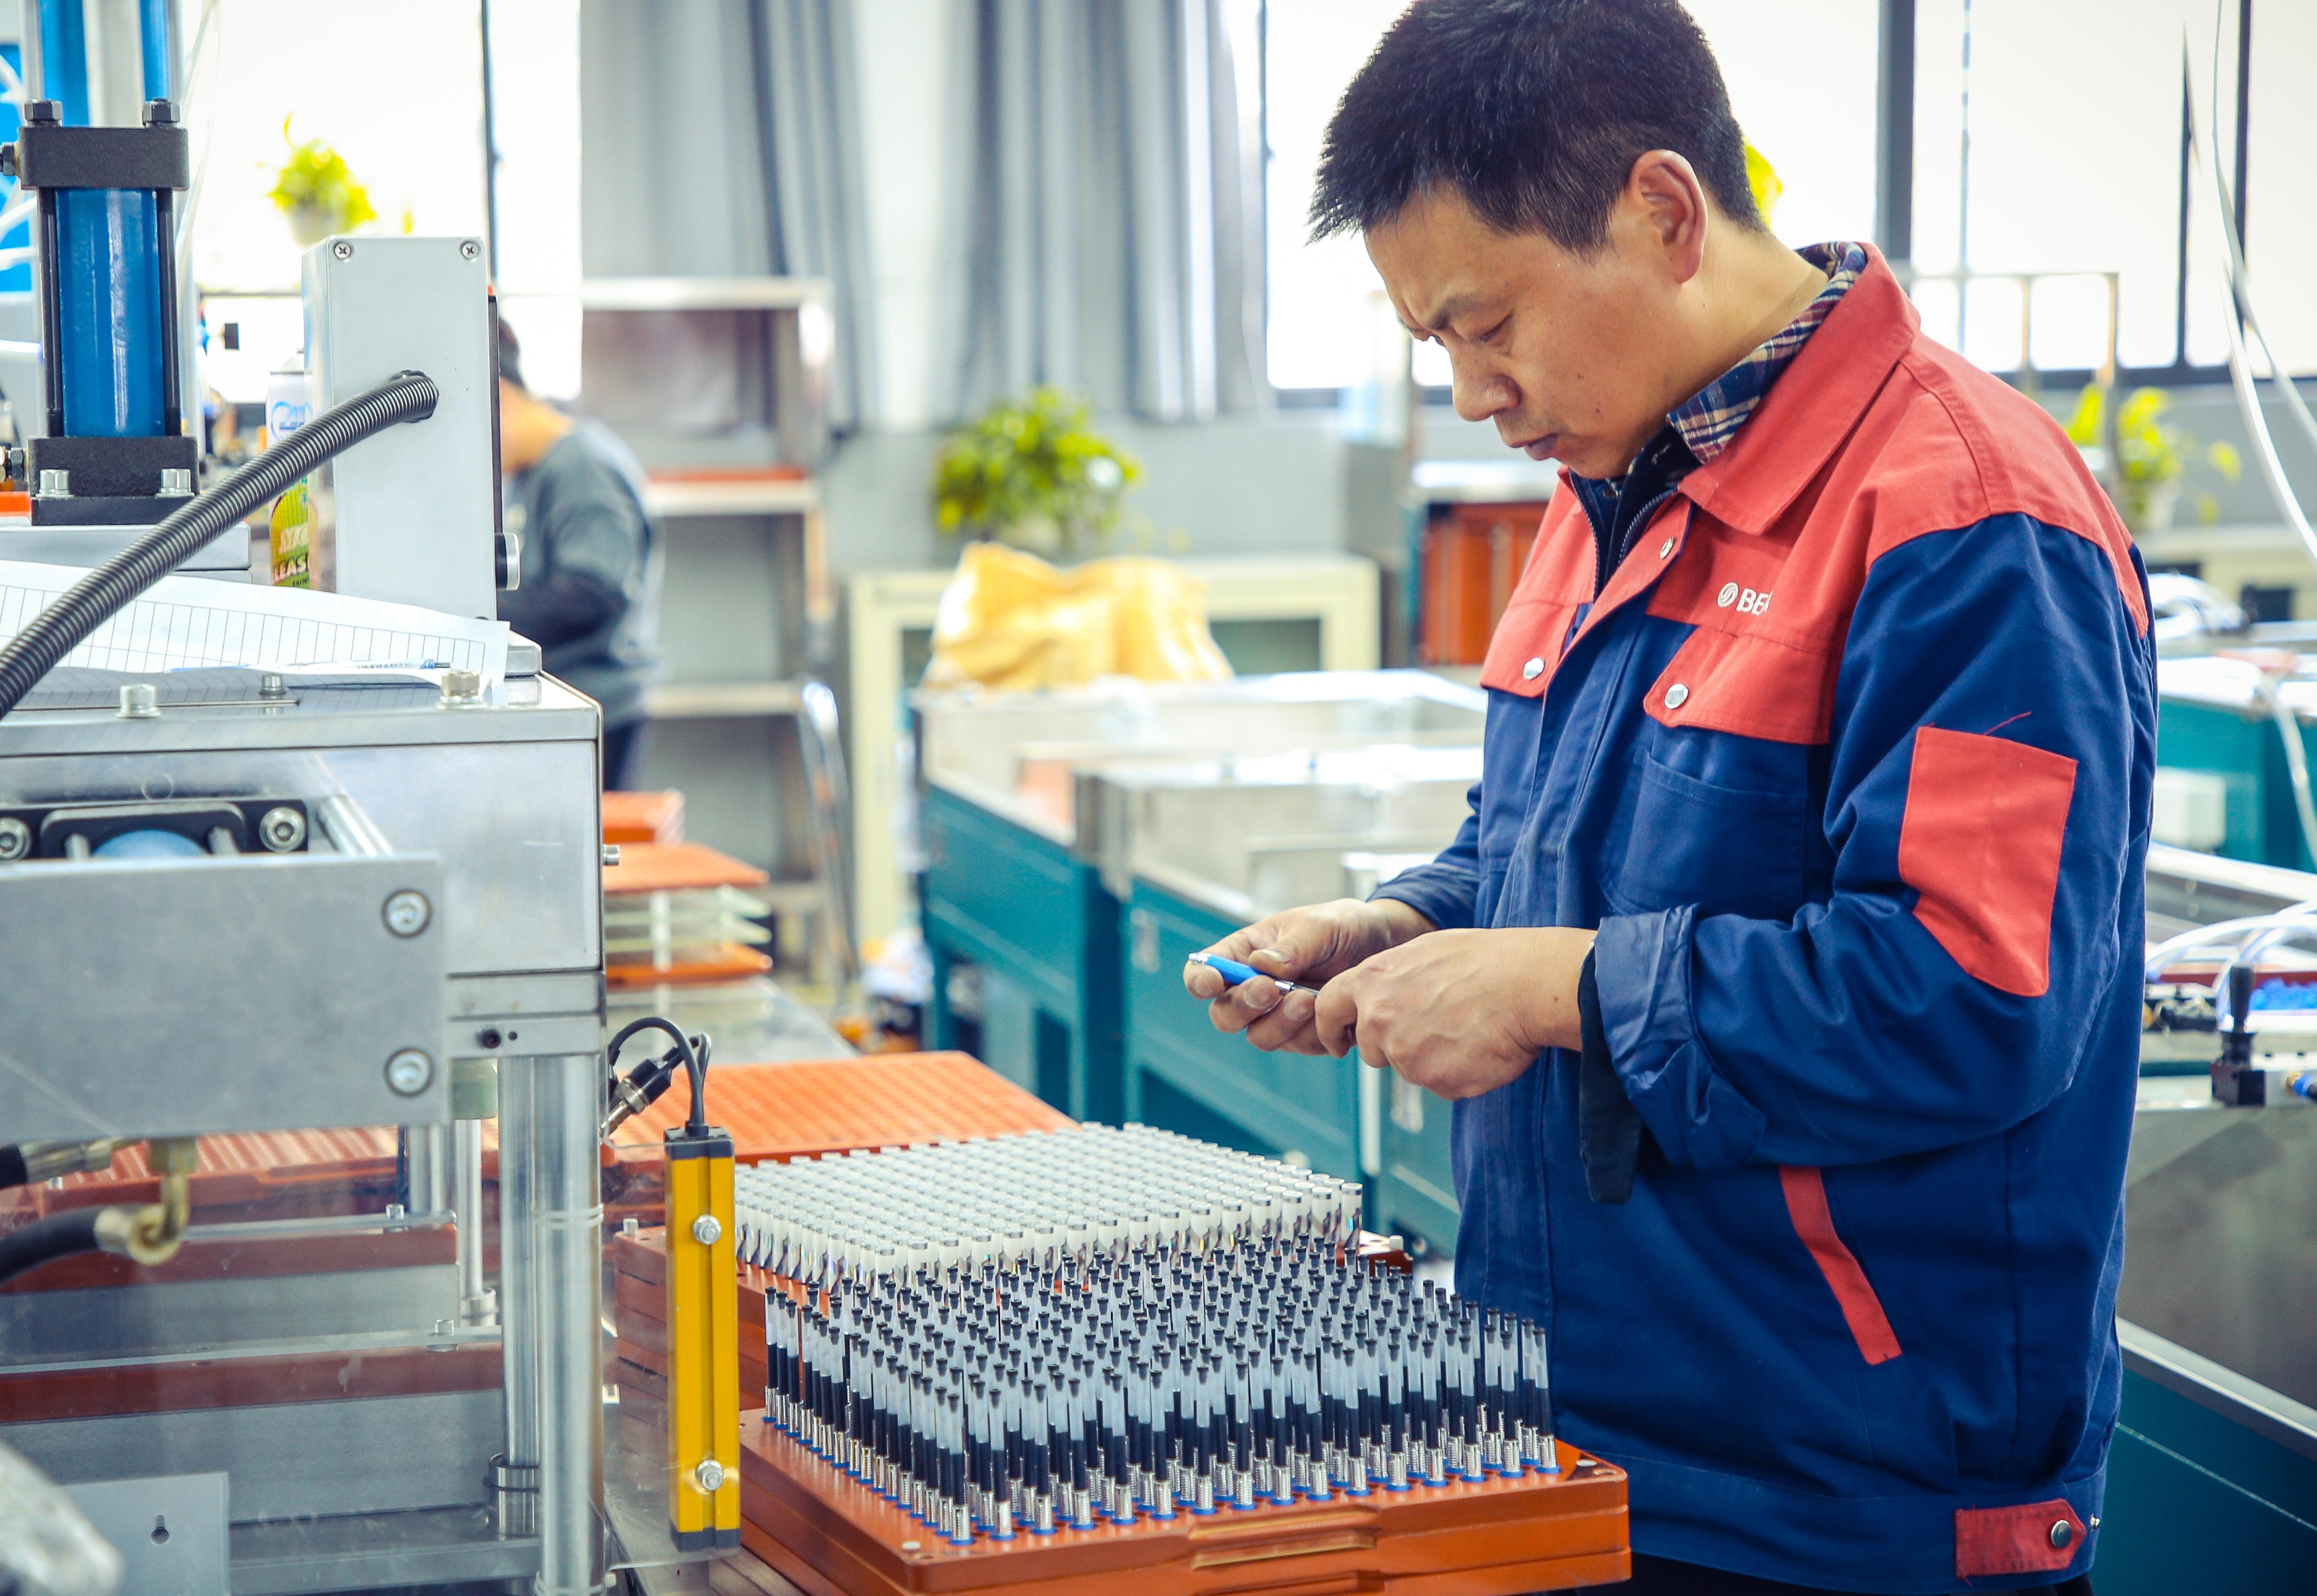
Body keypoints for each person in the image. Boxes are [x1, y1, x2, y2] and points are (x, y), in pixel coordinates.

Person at [1185, 3, 2151, 1593]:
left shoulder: (1965, 522)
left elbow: (1971, 999)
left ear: (1660, 212)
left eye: (1487, 324)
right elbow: (1549, 850)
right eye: (1436, 347)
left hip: (1840, 1513)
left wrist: (1545, 987)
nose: (1473, 393)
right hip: (1571, 1439)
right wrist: (1405, 927)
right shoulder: (1606, 485)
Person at [495, 317, 663, 789]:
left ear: (501, 401)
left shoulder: (580, 467)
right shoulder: (533, 472)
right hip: (569, 704)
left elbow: (593, 591)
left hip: (598, 709)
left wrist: (477, 617)